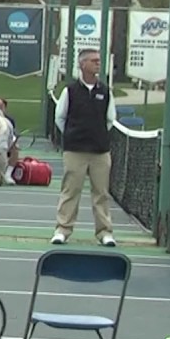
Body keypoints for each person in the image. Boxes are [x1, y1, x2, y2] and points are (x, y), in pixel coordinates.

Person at [51, 47, 118, 246]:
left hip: (100, 152)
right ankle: (62, 229)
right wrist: (73, 136)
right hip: (75, 152)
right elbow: (60, 118)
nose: (98, 63)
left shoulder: (105, 92)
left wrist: (97, 136)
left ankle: (105, 232)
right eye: (93, 60)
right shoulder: (70, 91)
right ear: (82, 64)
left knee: (101, 192)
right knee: (71, 190)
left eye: (99, 60)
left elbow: (110, 120)